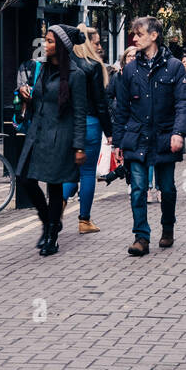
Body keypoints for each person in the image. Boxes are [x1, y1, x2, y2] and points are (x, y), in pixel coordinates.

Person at [112, 16, 186, 256]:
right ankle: (141, 237)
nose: (134, 38)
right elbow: (121, 108)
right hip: (137, 137)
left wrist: (178, 133)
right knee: (138, 188)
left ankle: (168, 227)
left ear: (154, 36)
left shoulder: (175, 67)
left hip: (165, 136)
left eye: (138, 34)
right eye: (133, 34)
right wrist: (118, 141)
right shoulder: (130, 70)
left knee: (167, 188)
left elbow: (183, 103)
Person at [16, 26, 87, 257]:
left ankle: (51, 237)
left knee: (54, 186)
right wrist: (24, 92)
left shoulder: (76, 75)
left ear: (62, 46)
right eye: (44, 41)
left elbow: (79, 113)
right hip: (37, 133)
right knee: (24, 179)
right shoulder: (41, 69)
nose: (44, 45)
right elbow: (38, 100)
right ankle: (49, 221)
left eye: (49, 42)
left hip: (60, 136)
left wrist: (79, 146)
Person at [61, 25, 112, 233]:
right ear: (87, 42)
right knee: (88, 172)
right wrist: (110, 131)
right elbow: (101, 103)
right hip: (90, 123)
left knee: (69, 171)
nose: (99, 46)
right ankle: (84, 221)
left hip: (67, 124)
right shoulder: (92, 67)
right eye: (97, 42)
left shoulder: (66, 64)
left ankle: (58, 206)